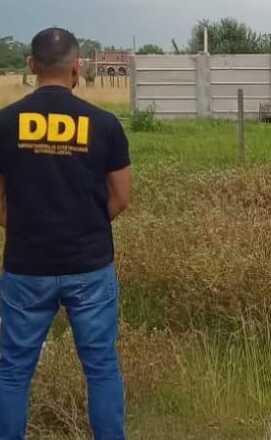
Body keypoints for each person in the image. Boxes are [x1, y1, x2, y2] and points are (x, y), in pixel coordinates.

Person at [0, 28, 131, 440]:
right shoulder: (104, 124)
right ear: (77, 66)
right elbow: (121, 197)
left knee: (13, 370)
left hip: (25, 265)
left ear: (32, 66)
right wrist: (84, 227)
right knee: (101, 367)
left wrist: (24, 227)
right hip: (89, 265)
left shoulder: (4, 123)